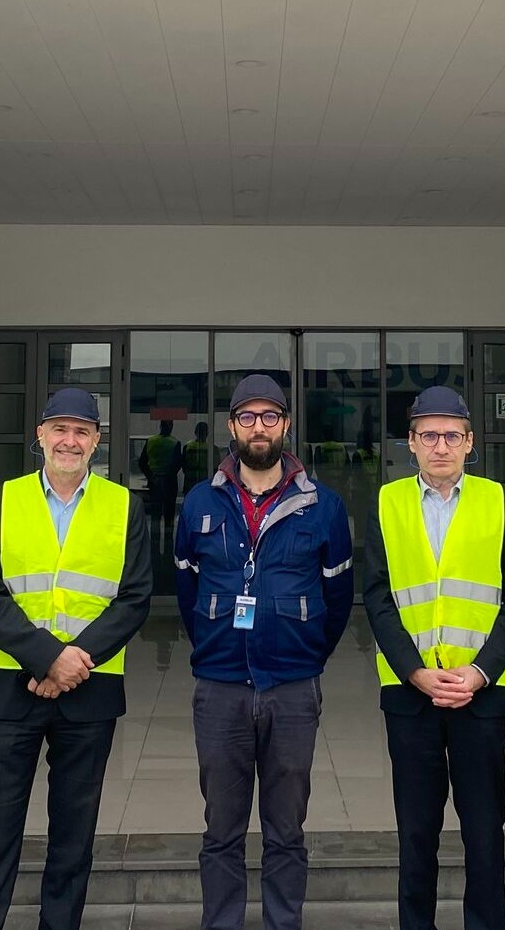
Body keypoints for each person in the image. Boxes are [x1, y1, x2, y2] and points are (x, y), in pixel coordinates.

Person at [0, 388, 153, 930]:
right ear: (39, 435)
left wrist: (72, 662)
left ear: (97, 441)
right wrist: (47, 659)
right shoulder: (1, 500)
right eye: (60, 429)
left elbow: (135, 597)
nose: (70, 441)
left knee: (73, 836)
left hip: (88, 690)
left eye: (82, 432)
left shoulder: (124, 506)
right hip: (9, 686)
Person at [176, 375, 355, 930]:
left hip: (292, 689)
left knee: (286, 831)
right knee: (221, 831)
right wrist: (216, 644)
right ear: (232, 427)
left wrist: (303, 654)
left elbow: (338, 598)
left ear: (285, 425)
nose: (259, 428)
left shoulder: (322, 506)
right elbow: (186, 589)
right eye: (248, 418)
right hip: (221, 687)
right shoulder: (201, 502)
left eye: (269, 417)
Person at [364, 386, 505, 930]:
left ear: (470, 443)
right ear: (410, 443)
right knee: (416, 832)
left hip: (479, 696)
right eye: (429, 435)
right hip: (410, 696)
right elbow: (377, 595)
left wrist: (480, 673)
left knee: (484, 831)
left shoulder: (498, 500)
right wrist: (413, 671)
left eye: (452, 436)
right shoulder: (387, 501)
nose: (441, 446)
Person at [140, 418, 184, 539]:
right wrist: (170, 474)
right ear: (171, 428)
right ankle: (168, 545)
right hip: (169, 482)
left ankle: (154, 543)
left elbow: (142, 462)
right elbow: (178, 464)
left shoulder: (151, 441)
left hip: (154, 482)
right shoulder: (175, 443)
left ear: (160, 426)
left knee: (156, 515)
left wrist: (150, 476)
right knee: (169, 516)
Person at [182, 420, 213, 493]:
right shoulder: (212, 449)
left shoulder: (187, 447)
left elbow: (183, 466)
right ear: (207, 433)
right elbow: (215, 467)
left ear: (195, 432)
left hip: (190, 483)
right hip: (205, 483)